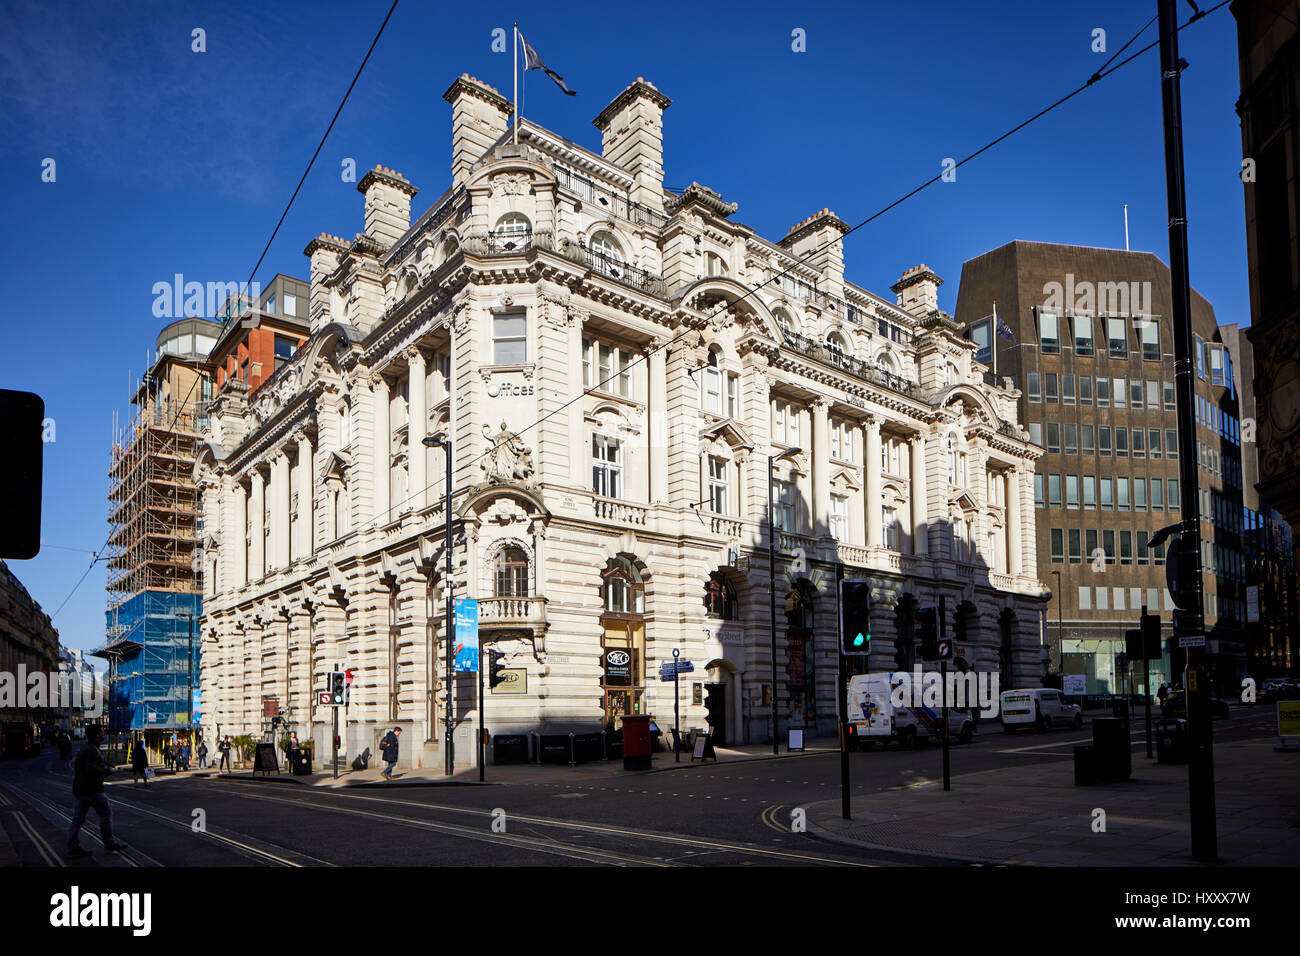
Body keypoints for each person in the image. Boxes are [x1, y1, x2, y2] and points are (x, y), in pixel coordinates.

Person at [66, 726, 126, 857]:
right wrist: (108, 772)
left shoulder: (90, 748)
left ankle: (73, 846)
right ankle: (109, 843)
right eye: (102, 732)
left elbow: (96, 762)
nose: (104, 733)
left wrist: (109, 765)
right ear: (96, 735)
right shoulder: (91, 750)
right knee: (106, 813)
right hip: (92, 790)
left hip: (81, 790)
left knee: (78, 819)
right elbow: (91, 769)